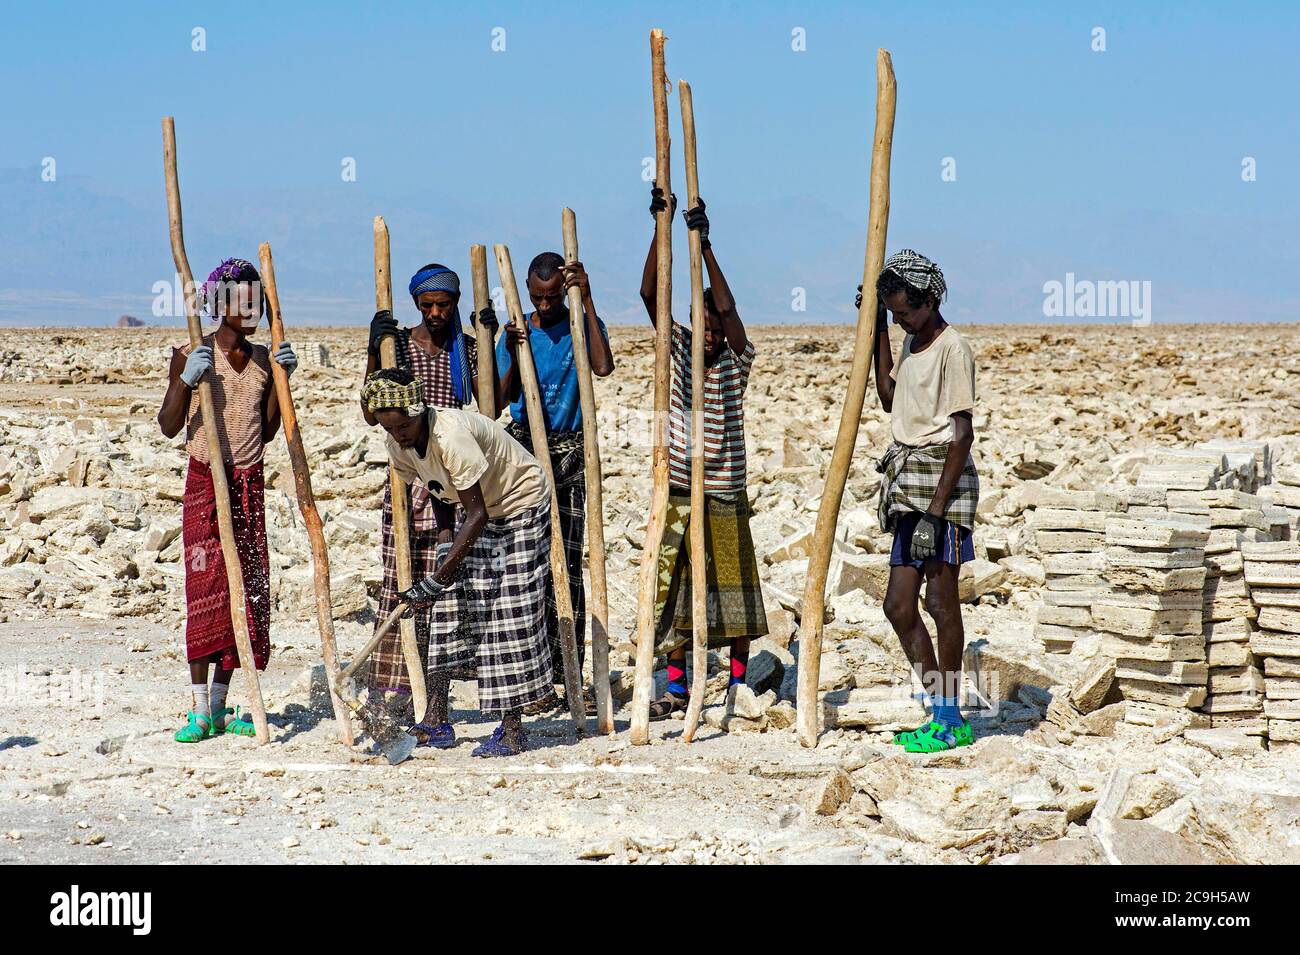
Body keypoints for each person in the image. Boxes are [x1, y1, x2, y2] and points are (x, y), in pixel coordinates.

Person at [363, 367, 553, 757]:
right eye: (388, 428)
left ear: (417, 413)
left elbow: (478, 512)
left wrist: (437, 578)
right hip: (474, 512)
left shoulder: (449, 435)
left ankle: (513, 728)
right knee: (448, 610)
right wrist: (445, 545)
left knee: (506, 610)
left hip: (518, 504)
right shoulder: (399, 444)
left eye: (402, 426)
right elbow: (437, 487)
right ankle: (435, 720)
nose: (397, 435)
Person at [638, 186, 768, 723]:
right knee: (671, 587)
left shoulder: (735, 362)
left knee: (730, 589)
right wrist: (660, 228)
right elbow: (650, 295)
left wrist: (707, 246)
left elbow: (731, 311)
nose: (711, 336)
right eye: (705, 327)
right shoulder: (680, 350)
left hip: (723, 489)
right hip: (679, 489)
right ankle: (675, 684)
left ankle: (737, 684)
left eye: (716, 328)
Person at [157, 257, 298, 742]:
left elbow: (270, 430)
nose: (252, 308)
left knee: (248, 589)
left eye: (258, 300)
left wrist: (283, 382)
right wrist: (186, 379)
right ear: (218, 306)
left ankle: (222, 704)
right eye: (242, 300)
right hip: (205, 485)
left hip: (248, 483)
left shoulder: (261, 360)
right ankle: (198, 709)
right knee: (205, 586)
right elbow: (169, 425)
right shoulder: (191, 353)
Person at [360, 264, 497, 723]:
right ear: (416, 305)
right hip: (408, 477)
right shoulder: (395, 346)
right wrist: (373, 356)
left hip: (451, 478)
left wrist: (493, 346)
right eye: (427, 306)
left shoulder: (468, 351)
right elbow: (371, 411)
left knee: (441, 591)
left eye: (444, 305)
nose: (436, 314)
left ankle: (435, 699)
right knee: (399, 584)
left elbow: (489, 403)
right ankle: (394, 691)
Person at [867, 249, 980, 753]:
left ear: (930, 300)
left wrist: (936, 513)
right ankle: (939, 707)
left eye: (904, 312)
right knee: (897, 605)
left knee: (939, 600)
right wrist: (876, 336)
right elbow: (890, 397)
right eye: (893, 315)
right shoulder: (912, 341)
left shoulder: (953, 349)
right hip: (908, 481)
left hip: (941, 483)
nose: (900, 321)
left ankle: (952, 716)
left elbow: (961, 436)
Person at [496, 251, 614, 714]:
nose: (544, 306)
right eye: (537, 297)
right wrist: (512, 349)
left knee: (567, 565)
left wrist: (587, 300)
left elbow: (602, 368)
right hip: (525, 450)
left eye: (552, 297)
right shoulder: (521, 329)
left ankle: (571, 671)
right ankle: (531, 677)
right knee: (524, 566)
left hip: (568, 452)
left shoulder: (581, 327)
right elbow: (501, 399)